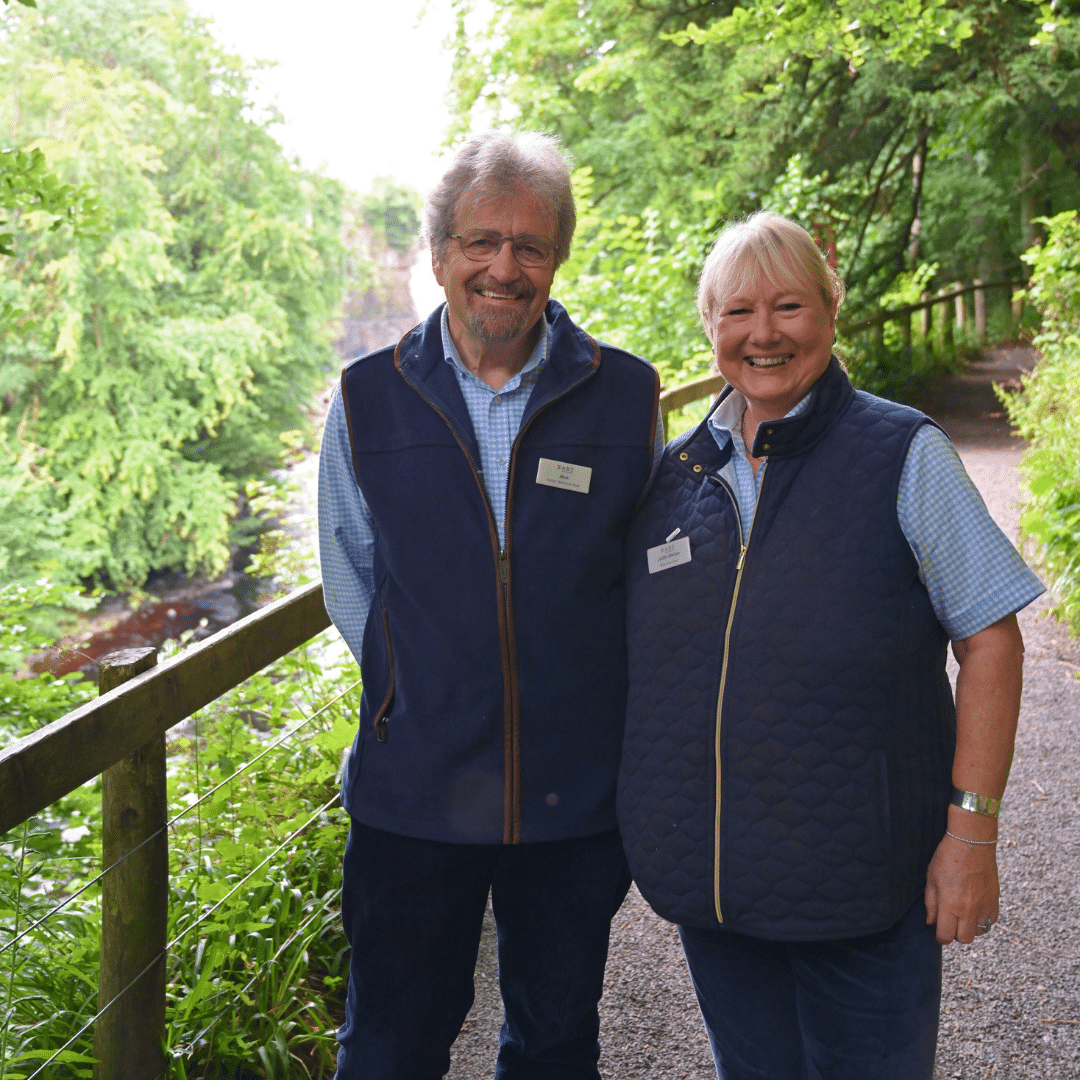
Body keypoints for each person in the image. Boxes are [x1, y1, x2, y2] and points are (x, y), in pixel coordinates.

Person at [618, 211, 1044, 1079]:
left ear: (831, 309)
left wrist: (972, 833)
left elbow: (992, 642)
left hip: (862, 885)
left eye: (789, 306)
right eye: (738, 311)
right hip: (714, 891)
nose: (764, 334)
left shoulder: (903, 454)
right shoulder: (675, 474)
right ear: (709, 325)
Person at [317, 130, 662, 1079]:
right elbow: (350, 573)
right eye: (480, 241)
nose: (504, 268)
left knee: (555, 1044)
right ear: (439, 255)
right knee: (389, 1047)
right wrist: (414, 690)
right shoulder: (366, 398)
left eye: (530, 245)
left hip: (573, 799)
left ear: (557, 260)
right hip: (413, 795)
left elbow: (643, 573)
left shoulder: (626, 396)